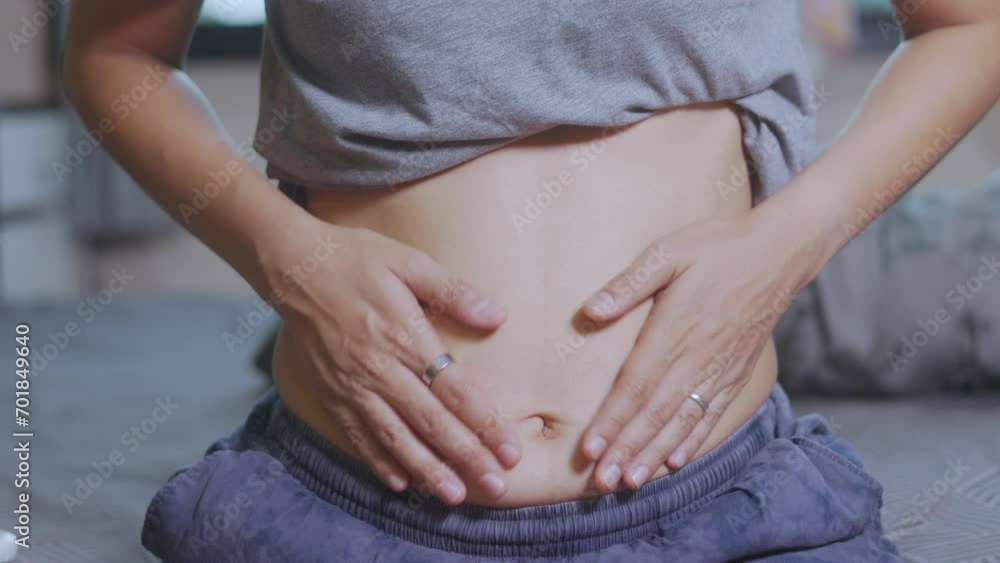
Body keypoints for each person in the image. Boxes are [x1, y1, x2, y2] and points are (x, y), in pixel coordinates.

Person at [62, 1, 1000, 561]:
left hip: (728, 512)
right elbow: (116, 52)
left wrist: (793, 240)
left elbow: (968, 24)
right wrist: (287, 258)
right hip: (339, 509)